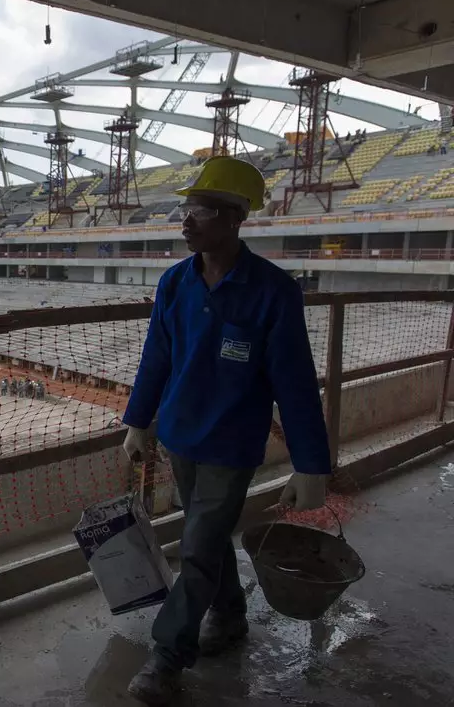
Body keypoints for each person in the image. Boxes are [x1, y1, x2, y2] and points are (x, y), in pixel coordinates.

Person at [121, 156, 331, 706]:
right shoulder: (174, 284)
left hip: (232, 446)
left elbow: (295, 382)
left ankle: (166, 658)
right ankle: (231, 614)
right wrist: (139, 421)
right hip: (181, 438)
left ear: (237, 218)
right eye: (186, 208)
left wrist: (311, 466)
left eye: (202, 210)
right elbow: (156, 359)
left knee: (196, 548)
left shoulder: (272, 292)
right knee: (204, 537)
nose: (186, 220)